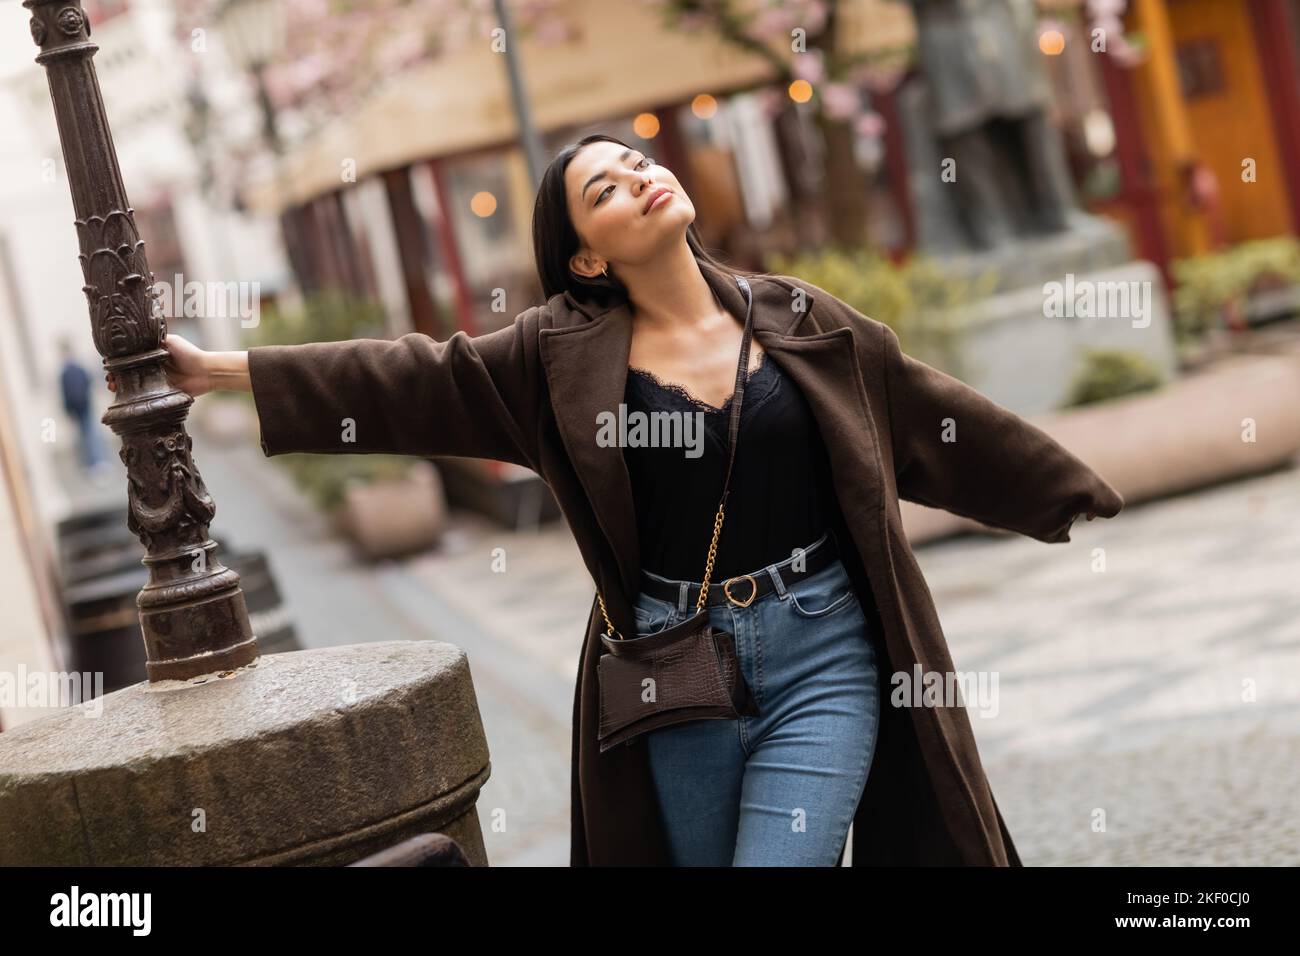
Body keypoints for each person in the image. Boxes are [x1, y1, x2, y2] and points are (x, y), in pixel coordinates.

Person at [108, 134, 1119, 867]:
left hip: (826, 650)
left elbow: (928, 412)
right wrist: (218, 370)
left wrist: (1062, 488)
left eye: (636, 161)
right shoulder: (557, 358)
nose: (637, 175)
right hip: (670, 663)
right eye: (604, 186)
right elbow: (409, 376)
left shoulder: (800, 317)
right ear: (586, 256)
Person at [59, 338, 109, 481]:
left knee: (91, 434)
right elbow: (65, 393)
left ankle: (98, 463)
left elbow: (88, 382)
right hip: (77, 409)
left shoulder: (76, 368)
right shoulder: (65, 372)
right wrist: (68, 409)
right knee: (83, 436)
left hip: (85, 406)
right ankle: (90, 463)